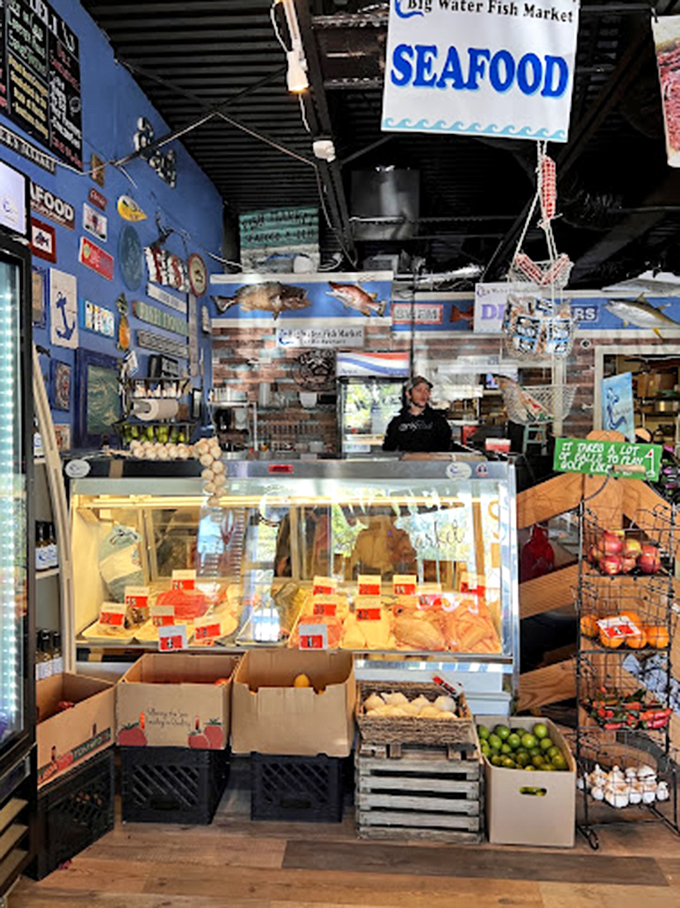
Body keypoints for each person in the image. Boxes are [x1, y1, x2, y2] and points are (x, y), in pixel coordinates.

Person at [382, 375, 452, 453]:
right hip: (406, 464)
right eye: (419, 390)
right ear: (408, 394)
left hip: (433, 464)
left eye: (427, 390)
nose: (424, 394)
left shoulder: (438, 421)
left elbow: (446, 449)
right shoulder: (397, 422)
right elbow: (389, 450)